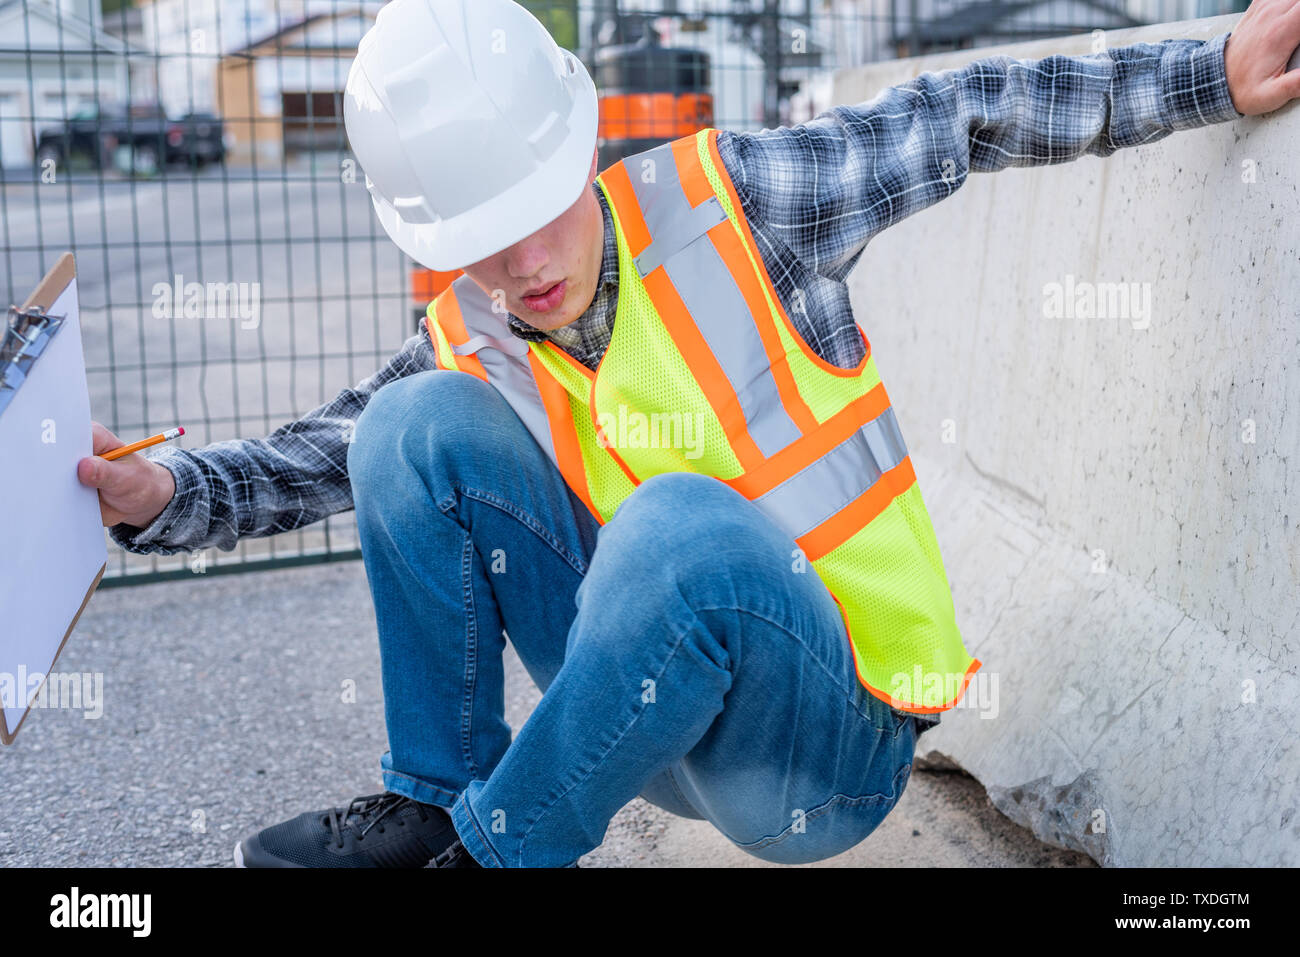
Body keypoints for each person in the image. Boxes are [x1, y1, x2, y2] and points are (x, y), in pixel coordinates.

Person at [78, 0, 1297, 868]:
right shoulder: (475, 323)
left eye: (527, 220)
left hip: (823, 752)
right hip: (639, 717)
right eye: (470, 247)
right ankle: (434, 805)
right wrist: (163, 492)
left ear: (576, 144)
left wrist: (1206, 75)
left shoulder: (743, 204)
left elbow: (959, 113)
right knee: (405, 427)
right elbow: (316, 454)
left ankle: (498, 857)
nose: (513, 272)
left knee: (675, 524)